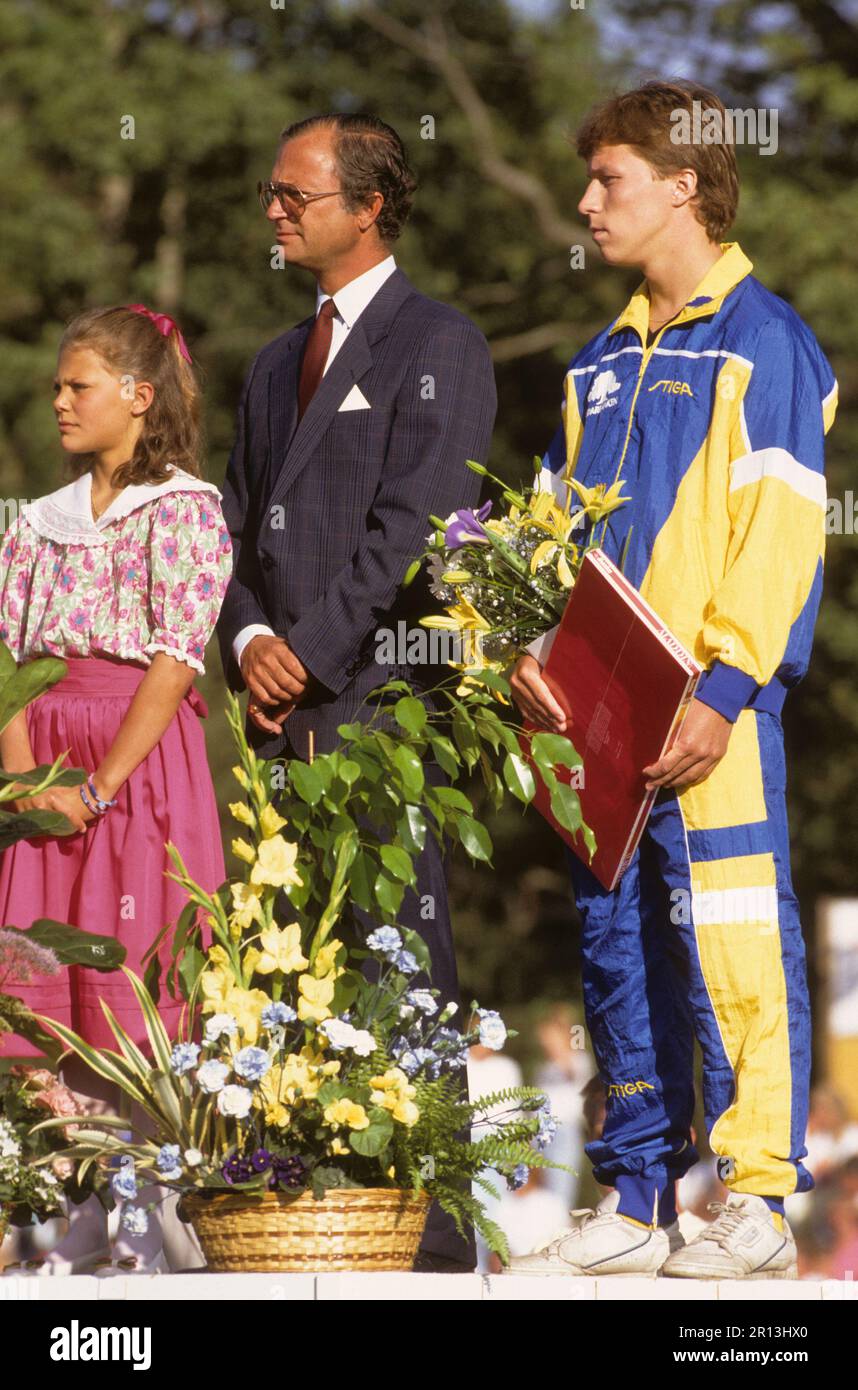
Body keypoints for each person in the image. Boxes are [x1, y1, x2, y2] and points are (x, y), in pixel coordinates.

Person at [508, 79, 837, 1279]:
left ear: (684, 184)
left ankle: (755, 1200)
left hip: (713, 712)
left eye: (610, 179)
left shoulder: (766, 343)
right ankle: (639, 1192)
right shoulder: (595, 364)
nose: (586, 202)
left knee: (736, 942)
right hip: (599, 718)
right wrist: (515, 645)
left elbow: (784, 536)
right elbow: (541, 537)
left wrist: (728, 684)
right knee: (616, 945)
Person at [215, 113, 497, 1272]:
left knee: (397, 954)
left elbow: (411, 531)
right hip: (270, 723)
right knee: (281, 962)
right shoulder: (273, 363)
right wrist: (248, 645)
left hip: (377, 709)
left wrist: (311, 654)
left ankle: (429, 1236)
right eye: (273, 194)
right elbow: (225, 533)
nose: (274, 211)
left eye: (295, 194)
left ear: (369, 204)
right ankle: (298, 1212)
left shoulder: (443, 341)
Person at [0, 303, 233, 1270]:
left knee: (132, 975)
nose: (59, 401)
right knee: (36, 980)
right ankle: (57, 1200)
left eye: (78, 386)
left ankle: (142, 1213)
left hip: (135, 770)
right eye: (57, 385)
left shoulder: (184, 512)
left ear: (138, 398)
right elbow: (7, 660)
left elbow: (177, 662)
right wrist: (25, 788)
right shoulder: (33, 524)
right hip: (42, 760)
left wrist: (94, 789)